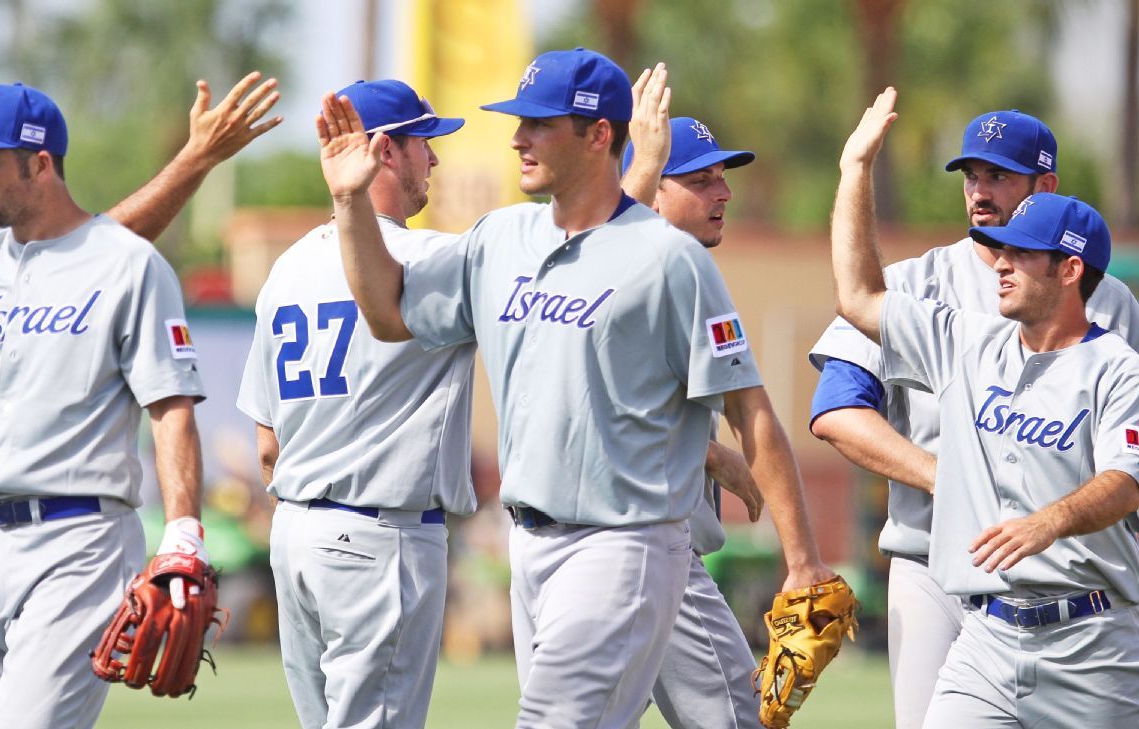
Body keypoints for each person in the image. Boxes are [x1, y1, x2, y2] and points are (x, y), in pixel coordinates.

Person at [318, 47, 833, 728]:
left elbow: (749, 408)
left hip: (624, 544)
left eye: (540, 124)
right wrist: (351, 200)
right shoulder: (499, 238)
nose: (517, 138)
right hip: (529, 549)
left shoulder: (669, 259)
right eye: (520, 121)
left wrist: (803, 562)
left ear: (598, 136)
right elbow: (387, 313)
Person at [0, 65, 280, 729]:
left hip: (56, 538)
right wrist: (195, 161)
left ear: (37, 163)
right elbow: (86, 249)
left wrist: (184, 533)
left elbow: (101, 277)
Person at [808, 104, 1139, 726]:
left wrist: (1054, 519)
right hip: (934, 559)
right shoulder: (930, 294)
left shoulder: (1112, 309)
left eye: (1000, 176)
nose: (980, 192)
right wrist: (952, 479)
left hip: (1078, 587)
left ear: (1045, 187)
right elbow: (836, 404)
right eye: (971, 175)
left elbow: (1129, 465)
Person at [236, 79, 475, 729]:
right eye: (426, 142)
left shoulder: (284, 269)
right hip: (378, 534)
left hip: (296, 535)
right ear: (386, 152)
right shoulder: (435, 258)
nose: (436, 159)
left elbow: (266, 445)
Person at [618, 74, 769, 729]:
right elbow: (611, 407)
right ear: (653, 193)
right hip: (647, 547)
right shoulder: (655, 277)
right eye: (702, 179)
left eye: (722, 176)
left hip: (589, 552)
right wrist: (717, 455)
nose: (724, 190)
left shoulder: (668, 271)